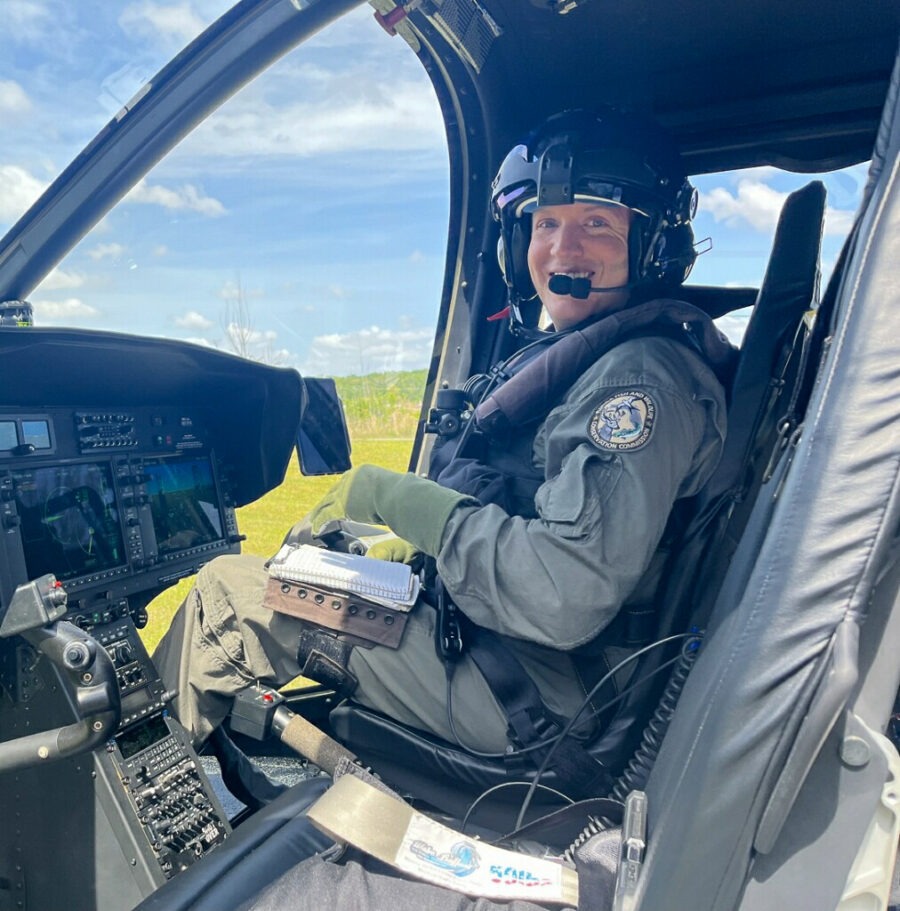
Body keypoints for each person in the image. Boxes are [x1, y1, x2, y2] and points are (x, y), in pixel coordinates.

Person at [153, 108, 733, 771]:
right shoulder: (607, 359)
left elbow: (563, 590)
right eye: (546, 224)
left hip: (542, 695)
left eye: (596, 223)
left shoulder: (637, 383)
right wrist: (412, 542)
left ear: (654, 244)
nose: (562, 250)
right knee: (316, 567)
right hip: (515, 649)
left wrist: (406, 503)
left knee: (230, 596)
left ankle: (148, 844)